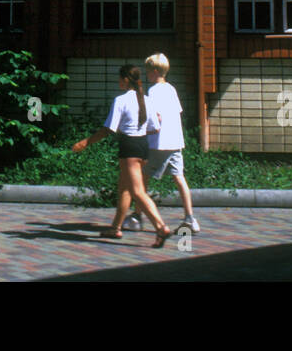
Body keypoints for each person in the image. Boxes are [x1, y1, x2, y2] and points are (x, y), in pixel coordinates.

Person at [72, 64, 171, 247]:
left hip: (129, 147)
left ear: (126, 80)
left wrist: (85, 142)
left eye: (119, 78)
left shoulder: (121, 100)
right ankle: (116, 227)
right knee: (124, 188)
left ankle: (160, 227)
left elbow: (108, 129)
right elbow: (155, 128)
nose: (118, 82)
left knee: (137, 191)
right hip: (142, 146)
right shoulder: (147, 100)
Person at [124, 53, 198, 233]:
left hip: (158, 143)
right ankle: (190, 218)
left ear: (155, 71)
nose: (146, 75)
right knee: (179, 178)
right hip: (175, 142)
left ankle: (137, 216)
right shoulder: (172, 89)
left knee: (142, 180)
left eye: (148, 71)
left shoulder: (154, 92)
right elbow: (176, 113)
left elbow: (155, 117)